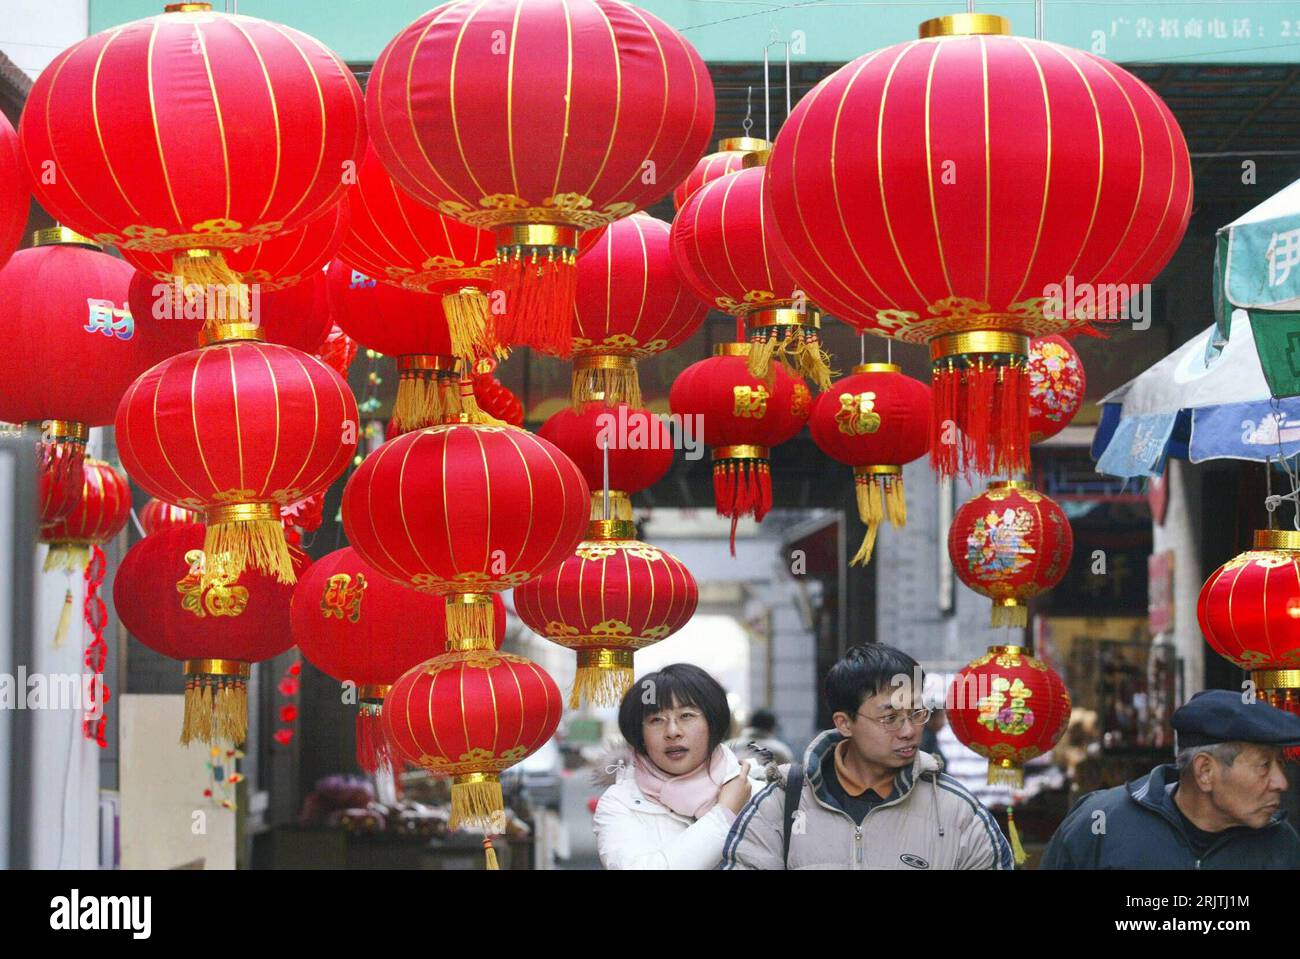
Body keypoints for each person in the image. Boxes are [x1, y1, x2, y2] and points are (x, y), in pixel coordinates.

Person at [721, 644, 1013, 870]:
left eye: (917, 714)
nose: (909, 730)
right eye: (890, 718)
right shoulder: (783, 803)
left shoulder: (955, 810)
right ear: (844, 723)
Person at [1040, 689, 1300, 869]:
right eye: (1264, 766)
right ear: (1205, 772)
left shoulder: (1281, 843)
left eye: (1280, 763)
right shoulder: (1101, 823)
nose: (1281, 782)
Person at [593, 663, 768, 869]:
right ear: (640, 736)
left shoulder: (763, 796)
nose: (672, 731)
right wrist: (724, 815)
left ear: (712, 723)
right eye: (656, 719)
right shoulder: (620, 803)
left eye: (686, 716)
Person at [727, 708, 795, 765]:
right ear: (772, 727)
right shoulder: (780, 751)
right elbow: (790, 776)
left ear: (749, 723)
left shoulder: (729, 746)